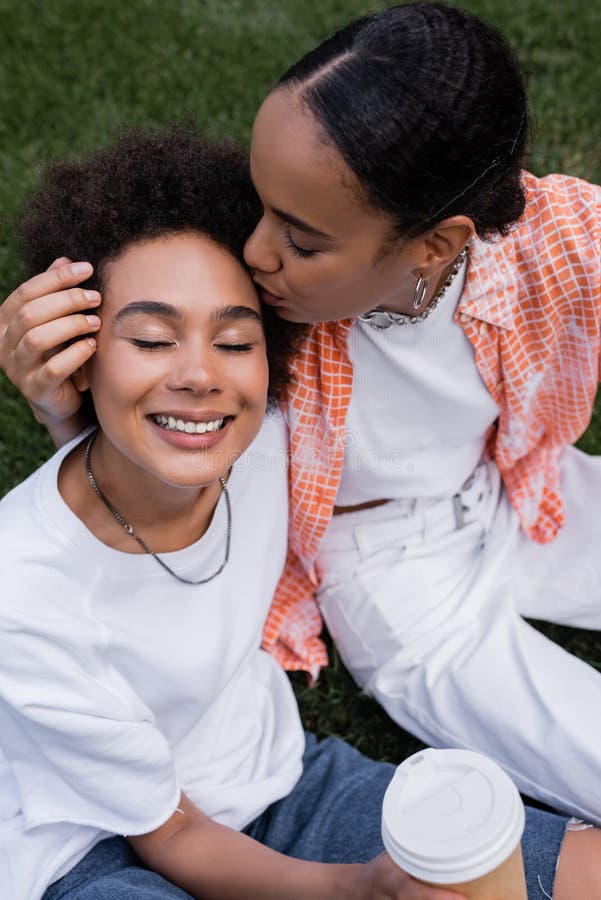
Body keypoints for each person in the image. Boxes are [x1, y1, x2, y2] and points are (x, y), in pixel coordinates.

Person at [2, 0, 601, 832]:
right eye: (257, 200)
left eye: (301, 237)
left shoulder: (550, 238)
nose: (251, 251)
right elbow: (156, 434)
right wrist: (56, 403)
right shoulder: (243, 308)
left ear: (434, 246)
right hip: (398, 583)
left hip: (520, 488)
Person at [1, 125, 486, 900]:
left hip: (273, 784)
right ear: (79, 352)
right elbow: (170, 831)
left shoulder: (266, 440)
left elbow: (389, 255)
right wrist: (357, 888)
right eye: (154, 338)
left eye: (234, 341)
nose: (199, 375)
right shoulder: (21, 588)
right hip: (86, 847)